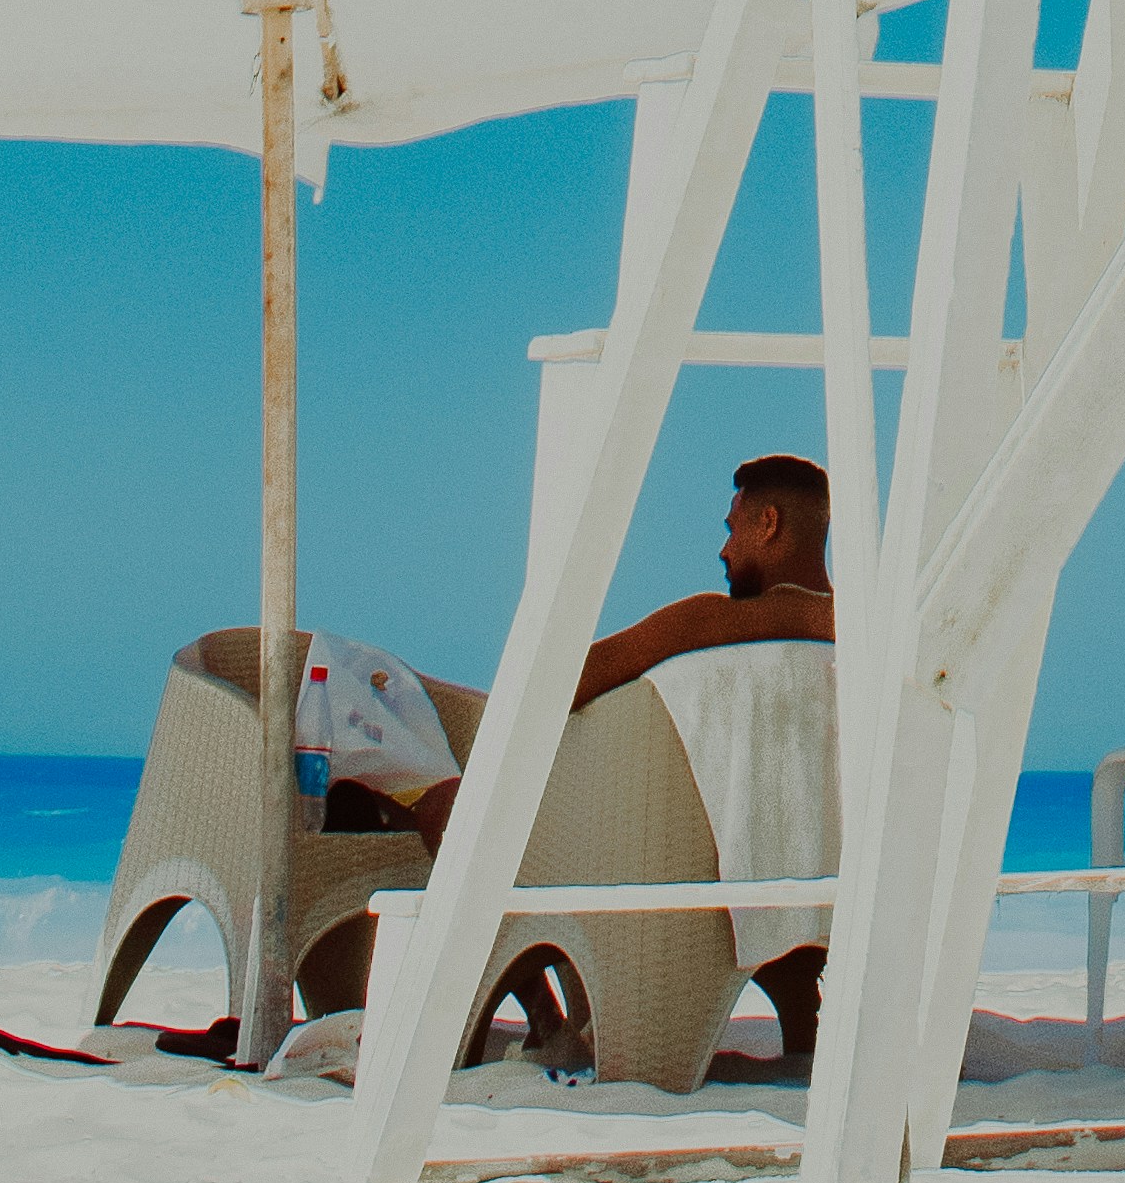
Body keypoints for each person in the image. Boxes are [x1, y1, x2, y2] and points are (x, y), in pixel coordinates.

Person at [330, 457, 837, 1070]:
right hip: (800, 867)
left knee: (442, 801)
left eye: (731, 528)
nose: (723, 550)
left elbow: (556, 686)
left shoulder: (711, 623)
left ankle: (543, 1017)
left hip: (630, 854)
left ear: (769, 525)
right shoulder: (855, 637)